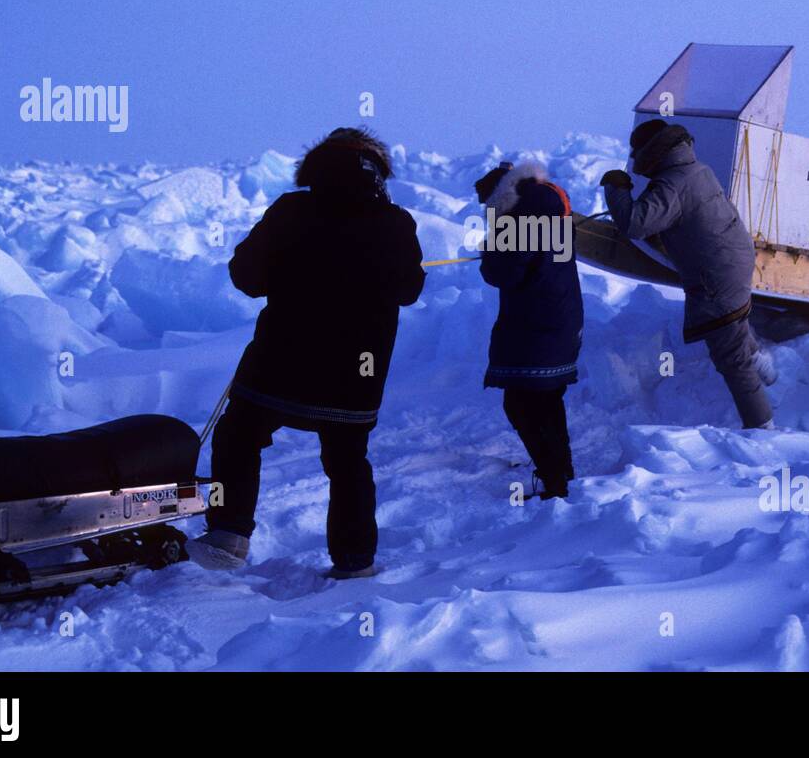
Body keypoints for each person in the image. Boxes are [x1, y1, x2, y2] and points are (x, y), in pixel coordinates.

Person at [188, 127, 425, 577]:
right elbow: (409, 289)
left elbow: (245, 276)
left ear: (316, 168)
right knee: (347, 461)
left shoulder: (291, 210)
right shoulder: (395, 222)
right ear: (377, 173)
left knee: (238, 436)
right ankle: (354, 561)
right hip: (355, 375)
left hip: (279, 363)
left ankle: (228, 534)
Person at [600, 119, 775, 429]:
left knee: (730, 356)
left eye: (636, 151)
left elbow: (636, 223)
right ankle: (764, 366)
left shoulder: (672, 184)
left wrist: (617, 188)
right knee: (732, 324)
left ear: (651, 152)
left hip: (717, 273)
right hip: (733, 262)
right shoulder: (695, 169)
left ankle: (764, 430)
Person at [474, 160, 583, 499]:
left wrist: (490, 251)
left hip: (536, 322)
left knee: (521, 403)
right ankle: (561, 471)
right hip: (559, 315)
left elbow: (503, 273)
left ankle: (554, 482)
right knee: (547, 398)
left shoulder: (522, 214)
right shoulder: (549, 202)